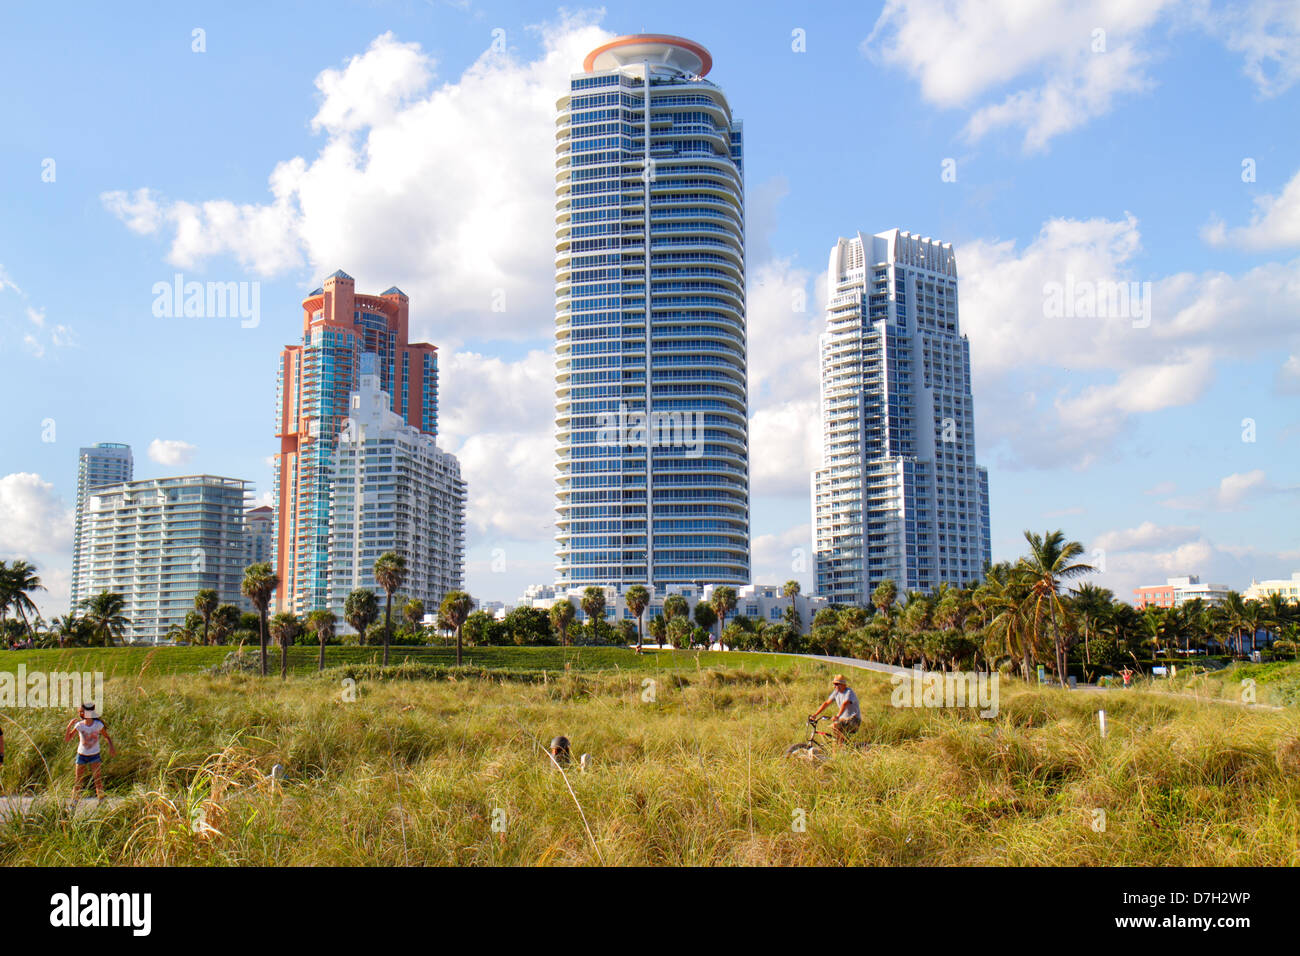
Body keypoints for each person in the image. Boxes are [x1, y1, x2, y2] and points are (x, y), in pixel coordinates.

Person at [64, 704, 115, 802]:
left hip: (94, 755)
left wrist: (111, 746)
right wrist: (68, 727)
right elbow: (68, 739)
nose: (81, 714)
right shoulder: (79, 725)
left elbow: (106, 736)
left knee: (97, 780)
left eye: (82, 711)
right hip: (81, 755)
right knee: (78, 780)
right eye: (80, 712)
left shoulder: (98, 725)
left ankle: (101, 801)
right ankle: (74, 801)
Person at [810, 674, 861, 744]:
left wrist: (837, 716)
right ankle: (840, 748)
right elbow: (826, 703)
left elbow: (845, 704)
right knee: (834, 736)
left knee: (835, 726)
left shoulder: (849, 692)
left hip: (853, 720)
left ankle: (841, 748)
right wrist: (815, 714)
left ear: (843, 685)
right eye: (834, 684)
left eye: (837, 684)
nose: (835, 686)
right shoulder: (836, 692)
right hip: (843, 720)